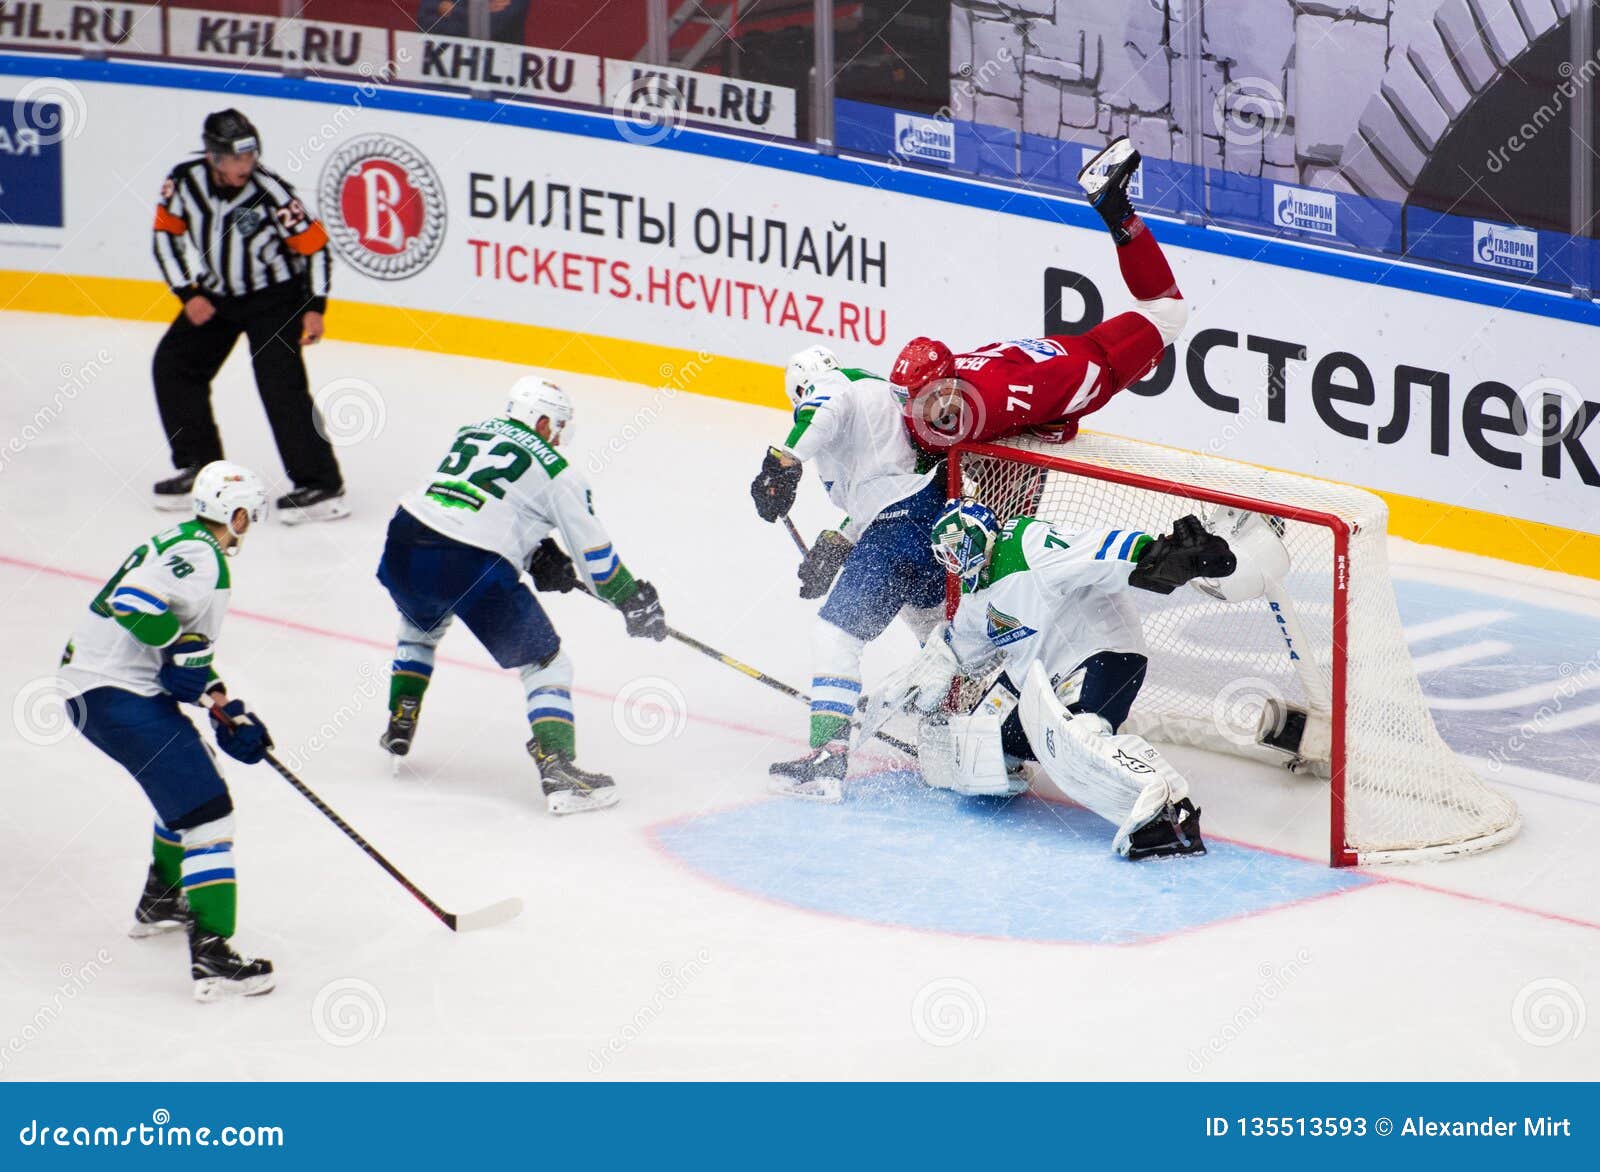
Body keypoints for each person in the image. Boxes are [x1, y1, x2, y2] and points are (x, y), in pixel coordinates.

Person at [865, 499, 1237, 859]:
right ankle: (1020, 765)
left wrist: (1163, 554)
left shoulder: (1025, 543)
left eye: (961, 545)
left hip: (1101, 655)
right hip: (1038, 679)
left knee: (1085, 734)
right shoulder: (974, 597)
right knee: (974, 757)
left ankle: (1168, 812)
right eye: (947, 552)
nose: (957, 558)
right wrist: (935, 665)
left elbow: (1097, 550)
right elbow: (963, 653)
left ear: (986, 533)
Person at [376, 375, 667, 814]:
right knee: (546, 662)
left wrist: (534, 553)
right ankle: (559, 769)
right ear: (544, 420)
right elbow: (598, 562)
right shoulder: (558, 471)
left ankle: (402, 714)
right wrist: (632, 600)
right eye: (559, 426)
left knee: (419, 625)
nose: (559, 438)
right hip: (469, 563)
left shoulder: (472, 432)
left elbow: (476, 500)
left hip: (403, 539)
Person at [59, 461, 277, 998]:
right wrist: (182, 651)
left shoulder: (183, 542)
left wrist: (224, 705)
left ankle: (162, 899)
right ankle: (213, 956)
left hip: (103, 689)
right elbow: (130, 602)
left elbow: (177, 657)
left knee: (184, 785)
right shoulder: (201, 555)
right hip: (113, 694)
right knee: (207, 811)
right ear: (239, 514)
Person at [892, 136, 1188, 452]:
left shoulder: (980, 411)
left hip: (1087, 372)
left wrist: (1063, 423)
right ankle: (1114, 206)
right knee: (1158, 332)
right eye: (904, 396)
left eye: (915, 398)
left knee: (1169, 313)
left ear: (944, 389)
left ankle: (1115, 206)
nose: (909, 411)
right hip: (1065, 354)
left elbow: (1041, 426)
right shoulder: (954, 379)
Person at [748, 346, 947, 802]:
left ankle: (827, 757)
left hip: (897, 527)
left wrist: (783, 463)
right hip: (929, 522)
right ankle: (958, 730)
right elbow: (882, 487)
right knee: (935, 631)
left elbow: (824, 406)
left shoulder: (832, 386)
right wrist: (839, 544)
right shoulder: (877, 394)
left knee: (835, 637)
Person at [150, 109, 347, 524]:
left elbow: (316, 248)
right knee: (173, 366)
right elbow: (164, 237)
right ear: (213, 156)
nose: (246, 165)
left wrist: (314, 307)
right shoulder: (184, 182)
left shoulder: (271, 192)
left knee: (280, 384)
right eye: (236, 158)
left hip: (273, 297)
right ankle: (202, 469)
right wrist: (188, 293)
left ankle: (322, 485)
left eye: (251, 155)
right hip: (215, 296)